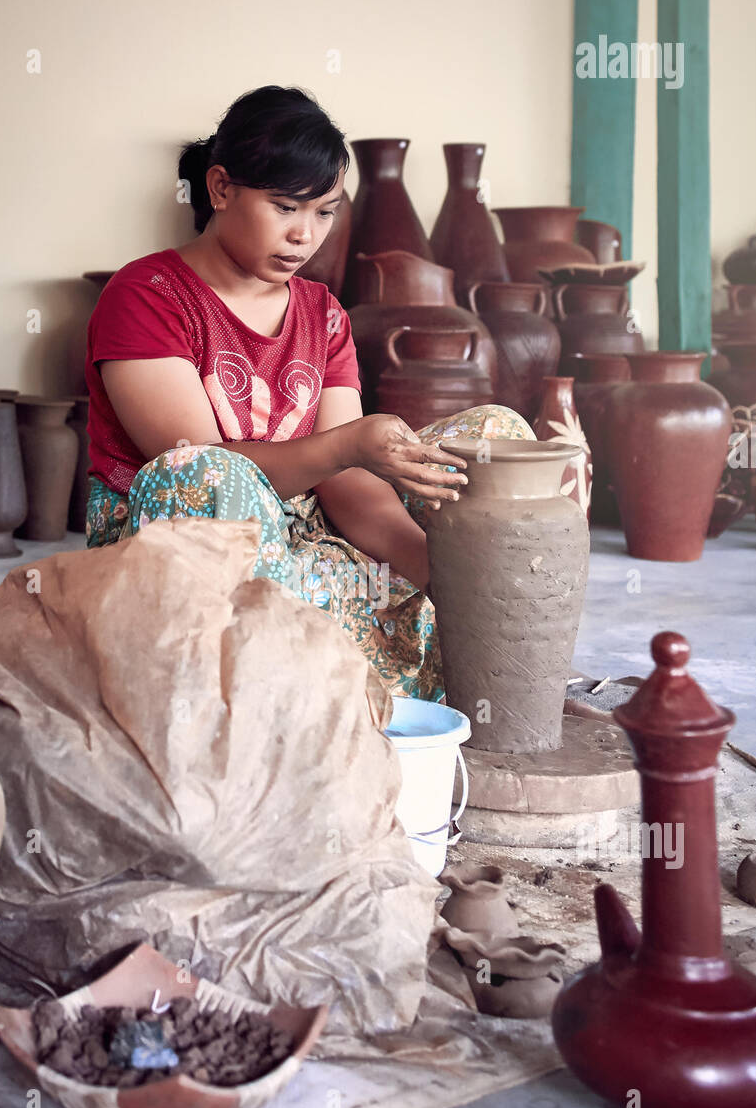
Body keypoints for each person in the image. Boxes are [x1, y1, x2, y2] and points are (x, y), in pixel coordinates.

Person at [85, 85, 534, 699]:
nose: (305, 235)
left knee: (497, 435)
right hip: (183, 538)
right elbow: (192, 463)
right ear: (220, 188)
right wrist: (346, 446)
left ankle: (355, 635)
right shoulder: (147, 296)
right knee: (207, 473)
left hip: (304, 532)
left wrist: (441, 570)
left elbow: (348, 485)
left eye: (324, 212)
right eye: (285, 207)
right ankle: (294, 657)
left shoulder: (322, 315)